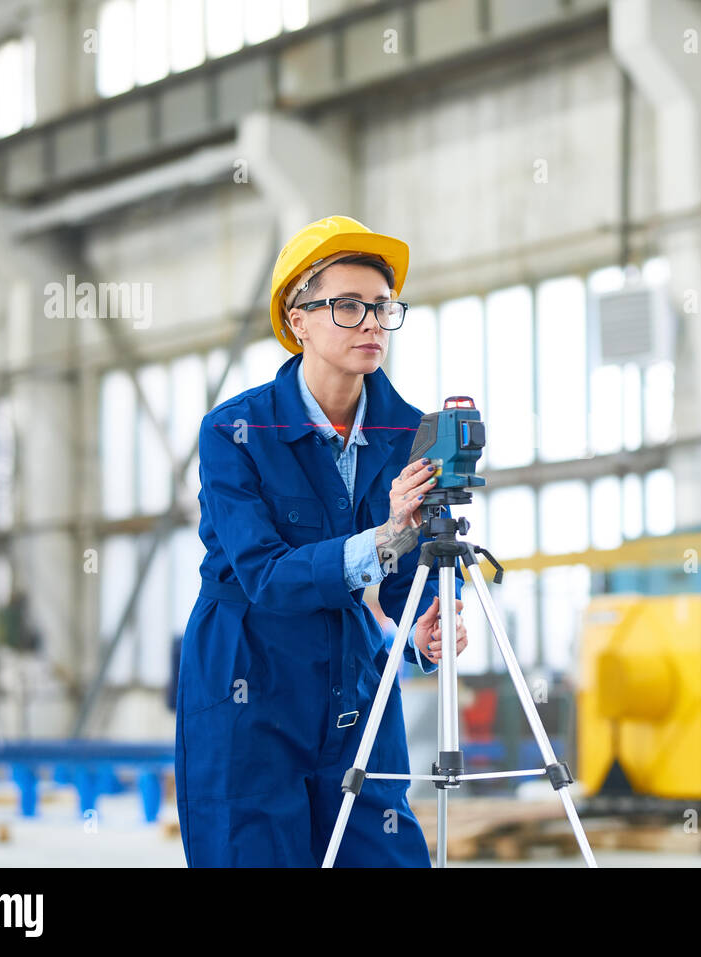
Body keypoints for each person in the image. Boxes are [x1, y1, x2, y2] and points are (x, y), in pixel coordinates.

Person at [175, 215, 468, 867]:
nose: (370, 321)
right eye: (347, 305)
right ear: (297, 317)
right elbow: (265, 574)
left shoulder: (409, 435)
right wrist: (385, 534)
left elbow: (394, 588)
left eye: (382, 307)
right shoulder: (234, 432)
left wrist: (419, 632)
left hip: (356, 698)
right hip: (250, 695)